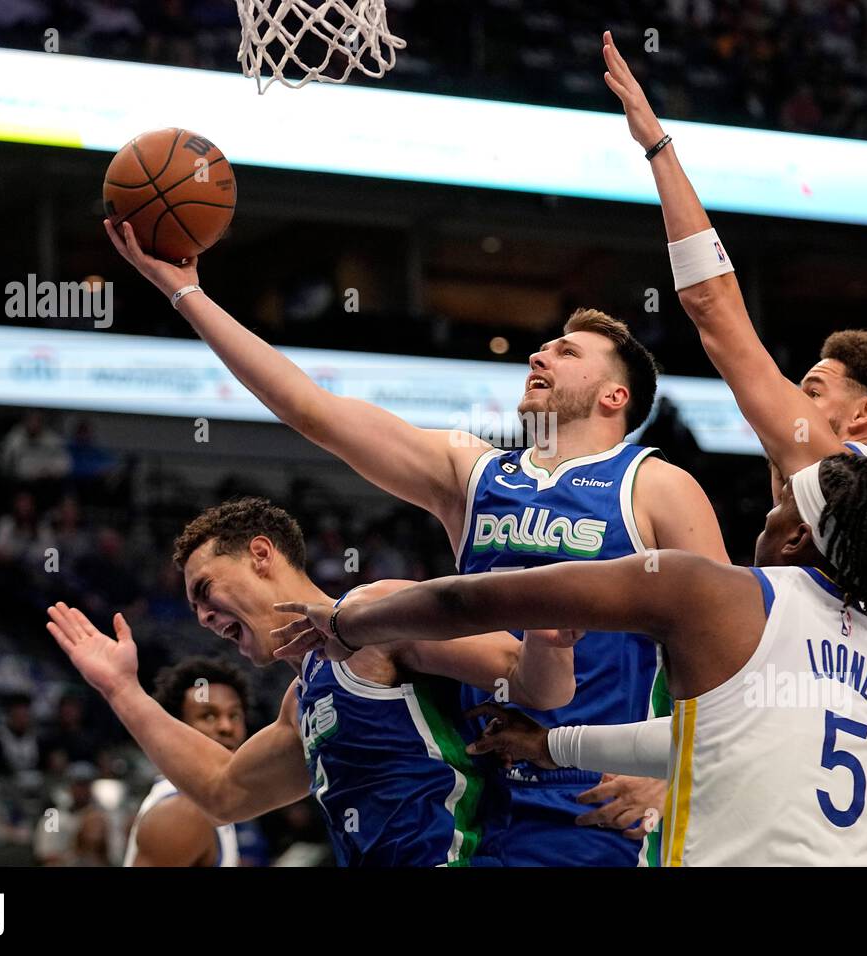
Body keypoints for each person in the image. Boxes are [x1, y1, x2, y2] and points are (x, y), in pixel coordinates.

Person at [104, 201, 730, 866]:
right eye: (543, 344)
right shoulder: (473, 474)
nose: (539, 354)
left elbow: (731, 648)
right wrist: (187, 292)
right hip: (494, 807)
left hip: (604, 809)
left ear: (614, 396)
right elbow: (313, 410)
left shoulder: (655, 485)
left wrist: (674, 768)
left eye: (567, 351)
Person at [600, 31, 867, 866]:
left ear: (862, 416)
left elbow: (713, 309)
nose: (788, 405)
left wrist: (658, 146)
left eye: (812, 389)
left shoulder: (845, 477)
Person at [280, 454, 867, 866]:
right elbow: (719, 739)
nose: (765, 512)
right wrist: (555, 748)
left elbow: (468, 600)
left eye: (780, 502)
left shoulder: (715, 591)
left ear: (795, 535)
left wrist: (347, 618)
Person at [48, 497, 576, 866]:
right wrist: (122, 690)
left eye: (206, 590)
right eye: (193, 609)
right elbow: (224, 793)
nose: (204, 617)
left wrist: (549, 628)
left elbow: (533, 684)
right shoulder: (303, 697)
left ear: (260, 555)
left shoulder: (374, 612)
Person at [123, 656, 251, 866]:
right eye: (208, 716)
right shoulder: (184, 812)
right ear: (176, 729)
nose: (226, 727)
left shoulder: (212, 802)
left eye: (235, 715)